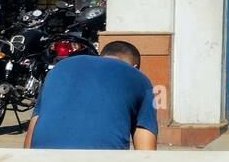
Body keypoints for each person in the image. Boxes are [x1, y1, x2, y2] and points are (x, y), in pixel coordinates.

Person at [24, 40, 157, 150]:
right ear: (135, 67)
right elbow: (145, 141)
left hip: (43, 157)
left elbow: (36, 119)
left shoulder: (60, 67)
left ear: (101, 56)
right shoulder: (139, 78)